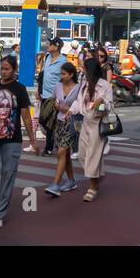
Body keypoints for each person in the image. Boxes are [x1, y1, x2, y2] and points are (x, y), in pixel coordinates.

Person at [0, 54, 39, 228]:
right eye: (2, 68)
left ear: (14, 70)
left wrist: (32, 140)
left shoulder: (19, 89)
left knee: (8, 175)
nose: (3, 72)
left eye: (7, 69)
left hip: (13, 139)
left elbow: (26, 116)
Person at [72, 53, 114, 201]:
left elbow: (109, 106)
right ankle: (98, 176)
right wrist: (67, 111)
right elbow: (78, 103)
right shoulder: (84, 85)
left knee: (93, 156)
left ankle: (92, 187)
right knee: (82, 155)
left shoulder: (105, 85)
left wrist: (101, 102)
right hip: (85, 123)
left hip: (98, 124)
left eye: (84, 68)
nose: (82, 70)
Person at [45, 62, 82, 197]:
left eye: (64, 74)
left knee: (62, 151)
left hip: (73, 123)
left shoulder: (78, 88)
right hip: (59, 122)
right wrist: (55, 105)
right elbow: (54, 101)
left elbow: (81, 105)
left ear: (71, 74)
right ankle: (71, 180)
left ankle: (55, 184)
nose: (62, 76)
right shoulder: (58, 86)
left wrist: (70, 110)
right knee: (65, 154)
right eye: (61, 73)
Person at [36, 37, 67, 155]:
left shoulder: (63, 61)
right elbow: (42, 75)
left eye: (51, 44)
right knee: (43, 121)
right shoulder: (47, 58)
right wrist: (39, 90)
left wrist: (62, 95)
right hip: (44, 94)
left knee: (48, 122)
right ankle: (55, 139)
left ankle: (48, 148)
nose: (48, 45)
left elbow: (66, 78)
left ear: (57, 46)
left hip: (54, 96)